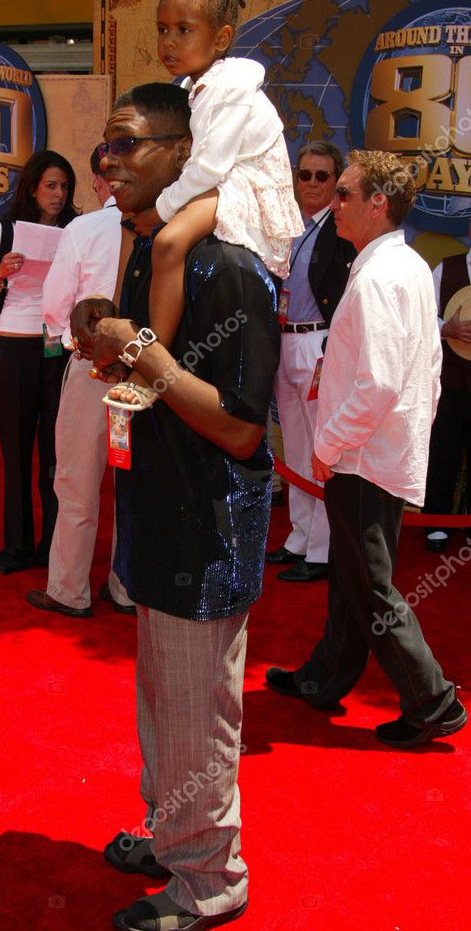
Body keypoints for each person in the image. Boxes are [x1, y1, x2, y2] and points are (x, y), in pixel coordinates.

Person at [83, 82, 279, 930]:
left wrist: (139, 353)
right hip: (157, 507)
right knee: (163, 699)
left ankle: (209, 878)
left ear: (181, 151)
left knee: (200, 712)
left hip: (207, 526)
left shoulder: (230, 265)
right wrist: (112, 344)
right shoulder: (151, 247)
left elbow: (239, 428)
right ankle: (175, 833)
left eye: (127, 144)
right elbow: (144, 372)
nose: (108, 161)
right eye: (106, 145)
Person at [266, 149, 467, 749]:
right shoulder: (400, 266)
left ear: (378, 204)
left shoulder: (380, 275)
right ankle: (325, 679)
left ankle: (434, 702)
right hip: (381, 450)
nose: (334, 202)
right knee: (354, 578)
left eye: (345, 192)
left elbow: (379, 381)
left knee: (371, 586)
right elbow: (417, 367)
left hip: (364, 456)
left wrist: (329, 444)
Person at [104, 0, 301, 412]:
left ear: (222, 37)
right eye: (162, 30)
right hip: (223, 182)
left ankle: (152, 363)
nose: (169, 42)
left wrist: (161, 209)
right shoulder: (196, 87)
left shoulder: (229, 88)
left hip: (244, 185)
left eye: (184, 30)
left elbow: (209, 166)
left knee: (169, 241)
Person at [25, 150, 135, 618]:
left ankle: (69, 590)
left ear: (98, 180)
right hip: (142, 374)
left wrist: (67, 338)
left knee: (75, 482)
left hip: (92, 369)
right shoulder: (164, 229)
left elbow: (56, 303)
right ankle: (127, 587)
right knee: (131, 480)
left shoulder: (85, 229)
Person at [0, 150, 79, 575]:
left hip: (57, 347)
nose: (58, 194)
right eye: (50, 186)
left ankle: (52, 546)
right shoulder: (5, 228)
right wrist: (0, 275)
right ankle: (16, 546)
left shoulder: (75, 229)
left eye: (64, 187)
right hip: (14, 344)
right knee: (16, 451)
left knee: (55, 456)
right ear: (32, 187)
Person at [266, 141, 356, 583]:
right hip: (284, 341)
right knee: (297, 446)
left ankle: (321, 550)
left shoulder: (340, 229)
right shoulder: (291, 226)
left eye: (323, 176)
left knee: (321, 448)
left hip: (319, 343)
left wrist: (332, 351)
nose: (313, 184)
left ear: (338, 182)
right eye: (305, 175)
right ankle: (300, 536)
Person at [422, 224, 471, 553]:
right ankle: (435, 520)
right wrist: (447, 327)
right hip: (451, 379)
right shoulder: (446, 268)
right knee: (443, 450)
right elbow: (424, 318)